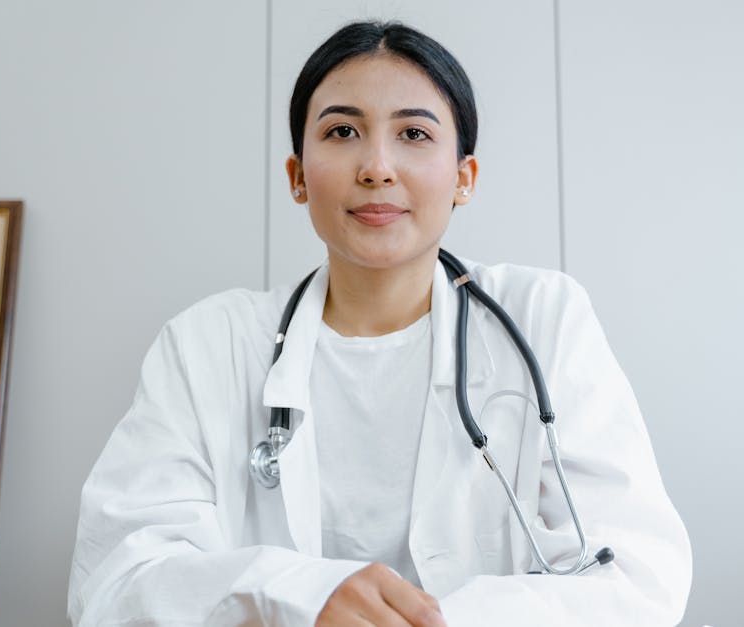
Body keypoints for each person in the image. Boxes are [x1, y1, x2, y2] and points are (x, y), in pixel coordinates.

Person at [68, 21, 691, 626]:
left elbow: (634, 576)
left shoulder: (543, 318)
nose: (377, 167)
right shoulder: (208, 344)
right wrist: (302, 598)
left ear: (463, 178)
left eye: (414, 135)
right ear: (297, 176)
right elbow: (116, 583)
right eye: (342, 131)